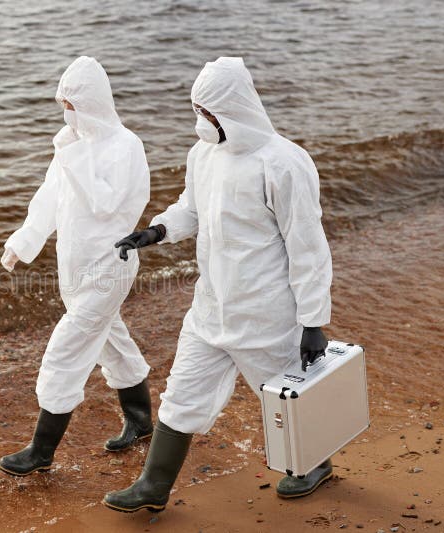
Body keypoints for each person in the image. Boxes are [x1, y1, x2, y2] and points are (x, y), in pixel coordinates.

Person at [103, 57, 333, 511]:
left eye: (207, 113)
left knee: (283, 398)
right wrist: (157, 231)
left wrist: (313, 321)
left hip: (266, 314)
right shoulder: (202, 154)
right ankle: (153, 487)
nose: (200, 121)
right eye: (197, 111)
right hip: (210, 309)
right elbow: (192, 208)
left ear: (233, 108)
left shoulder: (284, 163)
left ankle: (315, 463)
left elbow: (308, 247)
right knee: (181, 395)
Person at [0, 56, 153, 477]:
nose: (66, 113)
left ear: (92, 103)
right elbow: (49, 197)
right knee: (110, 341)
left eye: (72, 104)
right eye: (63, 104)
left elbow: (108, 203)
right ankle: (140, 421)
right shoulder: (71, 143)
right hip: (74, 266)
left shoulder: (125, 146)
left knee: (65, 350)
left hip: (109, 267)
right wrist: (23, 242)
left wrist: (72, 154)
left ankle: (41, 451)